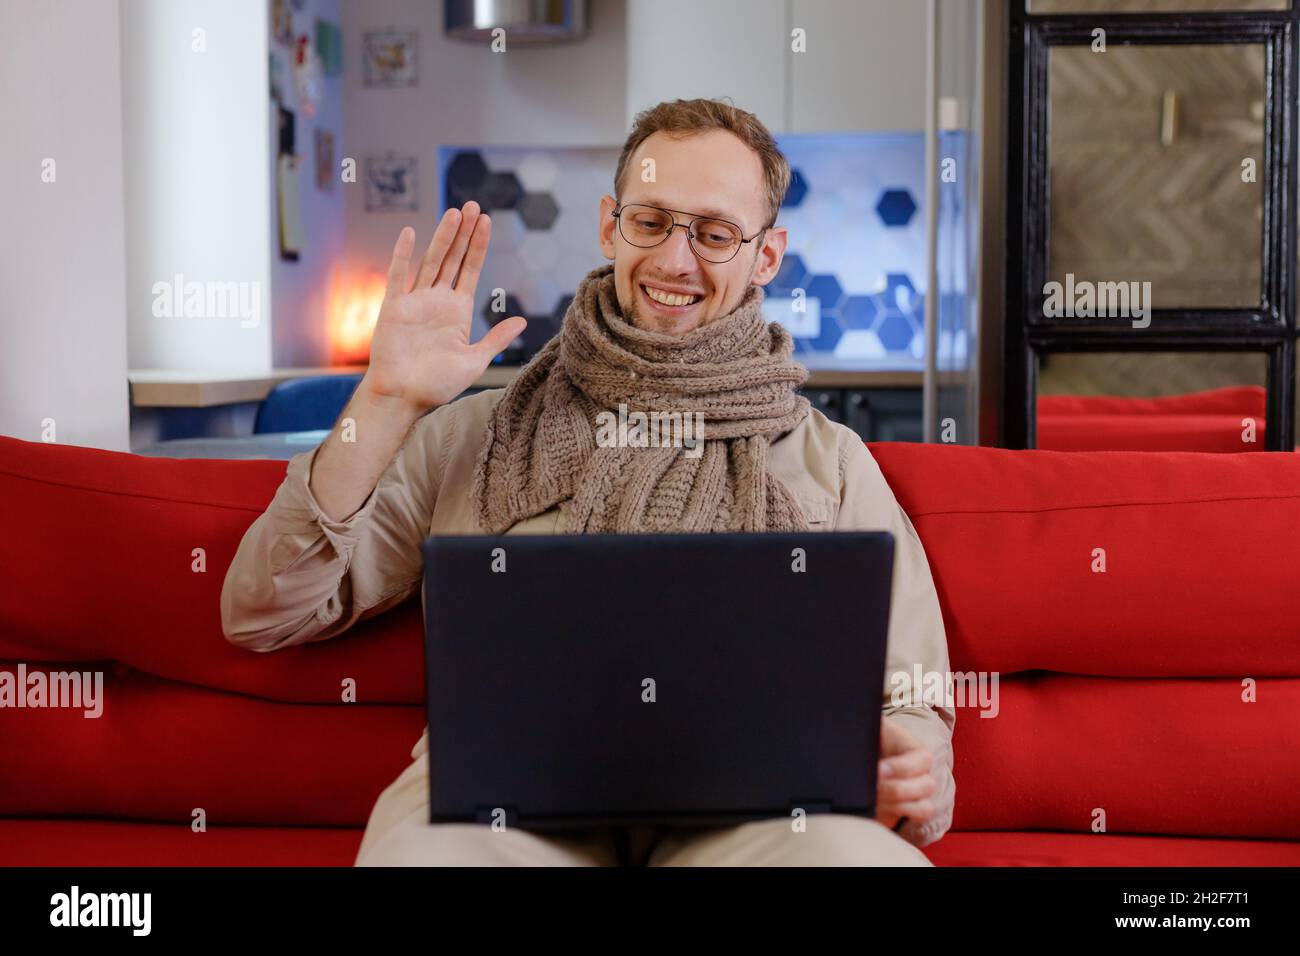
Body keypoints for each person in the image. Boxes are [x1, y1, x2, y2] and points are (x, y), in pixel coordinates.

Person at [221, 98, 954, 866]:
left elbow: (912, 698)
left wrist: (921, 760)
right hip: (504, 812)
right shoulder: (473, 433)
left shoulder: (830, 462)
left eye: (713, 233)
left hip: (759, 814)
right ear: (610, 225)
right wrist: (383, 399)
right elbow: (264, 609)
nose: (676, 260)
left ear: (765, 257)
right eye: (651, 222)